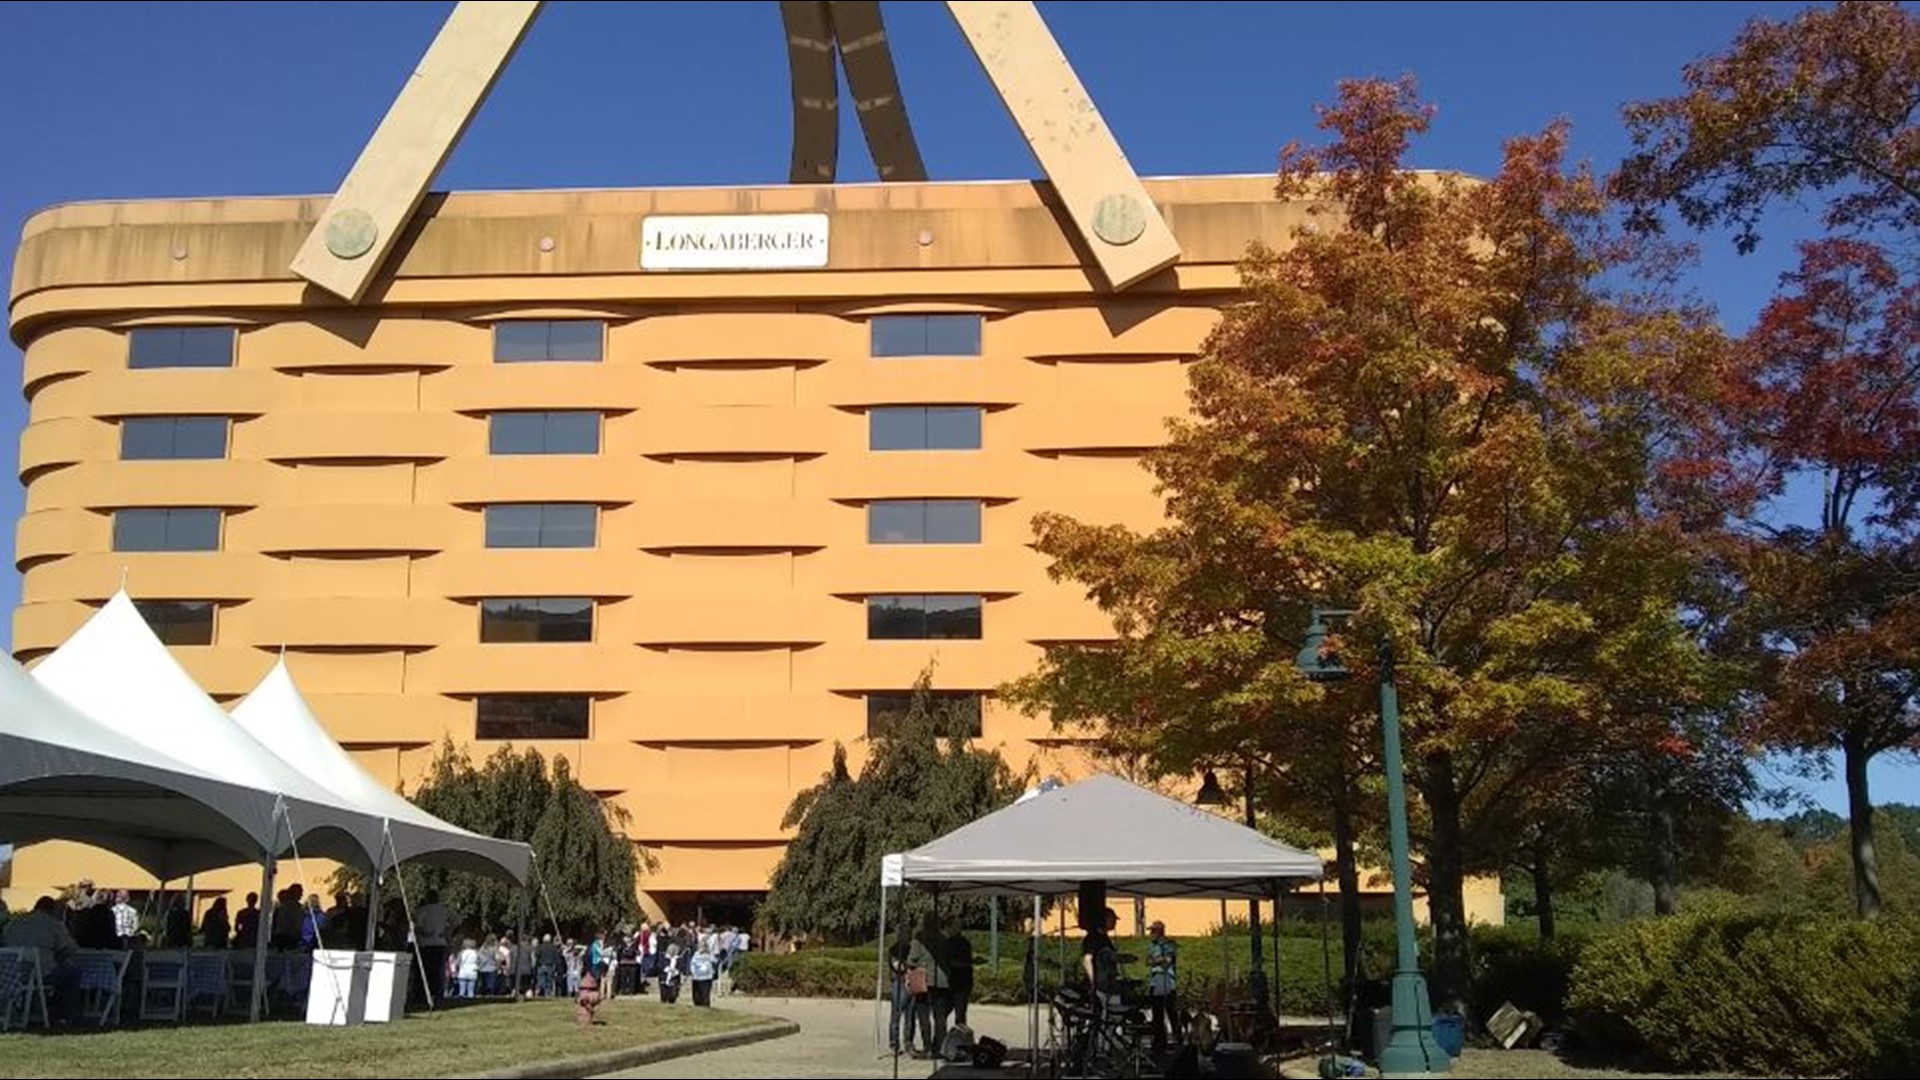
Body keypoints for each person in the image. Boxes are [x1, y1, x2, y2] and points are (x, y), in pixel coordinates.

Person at [4, 897, 83, 1022]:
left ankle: (40, 1007)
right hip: (40, 973)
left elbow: (5, 941)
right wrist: (59, 958)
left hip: (11, 974)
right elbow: (70, 949)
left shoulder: (15, 922)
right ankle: (63, 1013)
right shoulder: (53, 924)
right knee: (73, 972)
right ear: (52, 909)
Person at [908, 914, 950, 1059]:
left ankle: (927, 1048)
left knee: (923, 1015)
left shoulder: (919, 937)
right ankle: (940, 1047)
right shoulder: (944, 938)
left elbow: (912, 959)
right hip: (942, 980)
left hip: (923, 979)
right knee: (940, 1016)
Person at [1146, 919, 1183, 1054]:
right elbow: (1148, 961)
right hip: (1155, 981)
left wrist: (1157, 960)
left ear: (1159, 932)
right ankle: (1159, 1042)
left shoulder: (1169, 945)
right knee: (1157, 1014)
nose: (1151, 934)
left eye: (1153, 931)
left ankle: (1177, 1038)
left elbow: (1167, 961)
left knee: (1171, 1011)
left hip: (1167, 981)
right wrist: (1157, 960)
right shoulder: (1151, 946)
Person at [415, 889, 453, 1006]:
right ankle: (438, 994)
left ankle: (424, 995)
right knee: (439, 971)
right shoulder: (445, 910)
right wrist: (447, 931)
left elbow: (418, 927)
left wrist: (423, 933)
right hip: (440, 943)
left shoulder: (423, 910)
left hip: (426, 943)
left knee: (426, 971)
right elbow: (457, 920)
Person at [1081, 906, 1120, 997]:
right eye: (1112, 919)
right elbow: (1087, 960)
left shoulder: (1105, 938)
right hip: (1098, 986)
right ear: (1104, 920)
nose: (1115, 922)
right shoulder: (1093, 938)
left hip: (1106, 983)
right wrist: (1093, 982)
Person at [946, 927, 975, 1028]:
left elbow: (965, 962)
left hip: (956, 982)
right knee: (960, 1013)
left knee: (948, 1013)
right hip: (960, 982)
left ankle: (943, 1035)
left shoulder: (950, 943)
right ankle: (960, 1033)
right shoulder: (964, 943)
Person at [689, 940, 717, 1007]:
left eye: (704, 946)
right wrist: (693, 973)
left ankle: (705, 1006)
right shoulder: (696, 955)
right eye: (701, 946)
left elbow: (714, 962)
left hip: (706, 978)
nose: (702, 948)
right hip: (696, 978)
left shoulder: (710, 955)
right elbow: (692, 964)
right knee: (697, 996)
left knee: (705, 995)